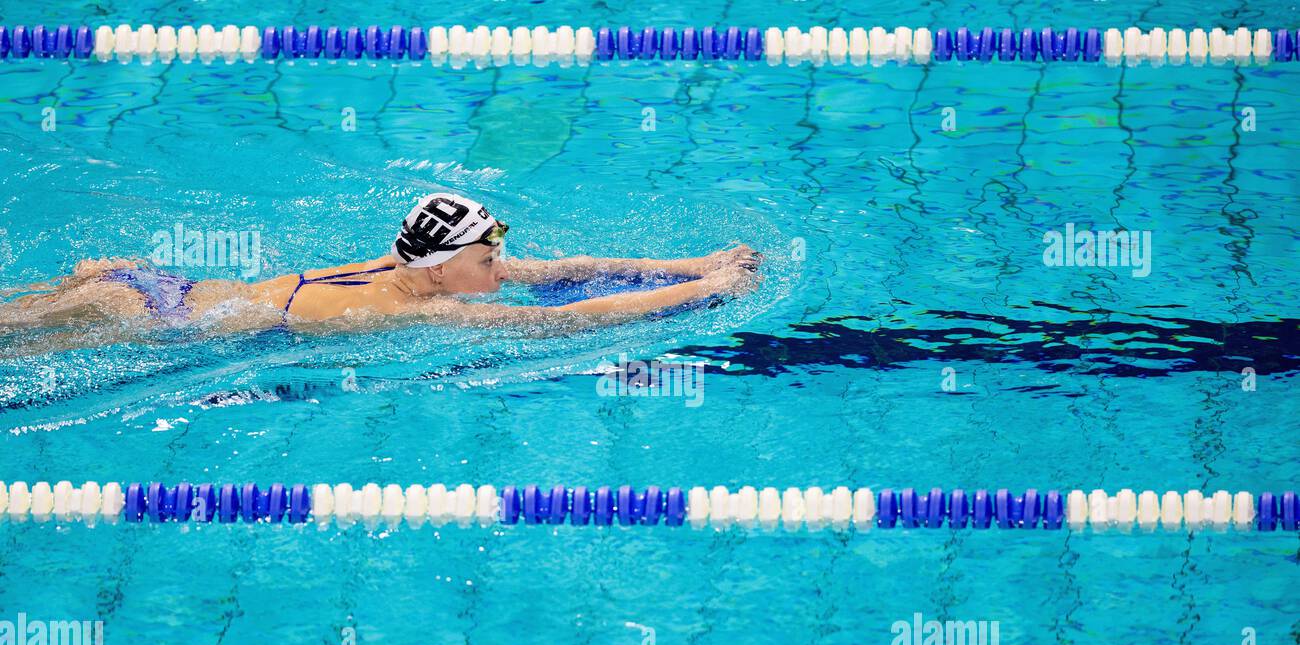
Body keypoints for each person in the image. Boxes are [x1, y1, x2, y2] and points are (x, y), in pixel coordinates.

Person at [0, 193, 761, 337]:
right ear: (439, 270)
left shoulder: (403, 264)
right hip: (156, 315)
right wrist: (703, 290)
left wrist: (686, 260)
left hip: (156, 281)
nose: (506, 270)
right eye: (490, 259)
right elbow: (565, 318)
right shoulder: (424, 308)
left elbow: (571, 268)